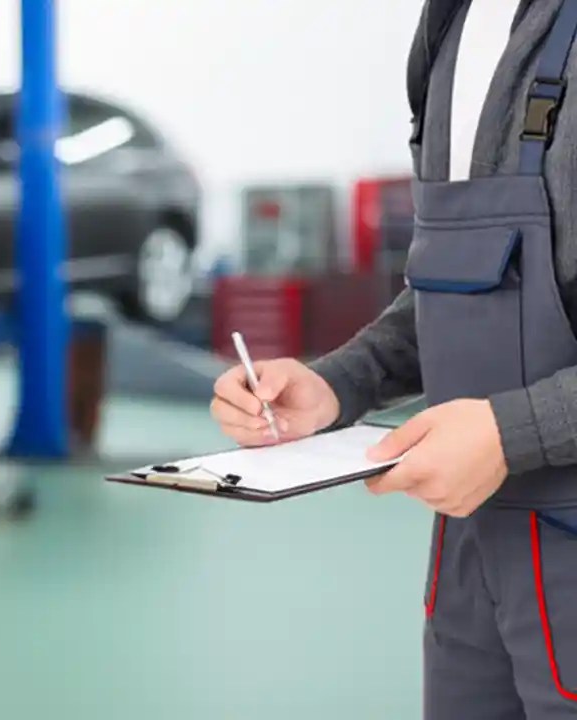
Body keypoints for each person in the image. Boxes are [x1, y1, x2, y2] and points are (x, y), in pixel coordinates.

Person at [211, 0, 577, 717]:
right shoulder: (449, 29)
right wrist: (339, 383)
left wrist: (512, 432)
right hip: (470, 548)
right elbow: (468, 275)